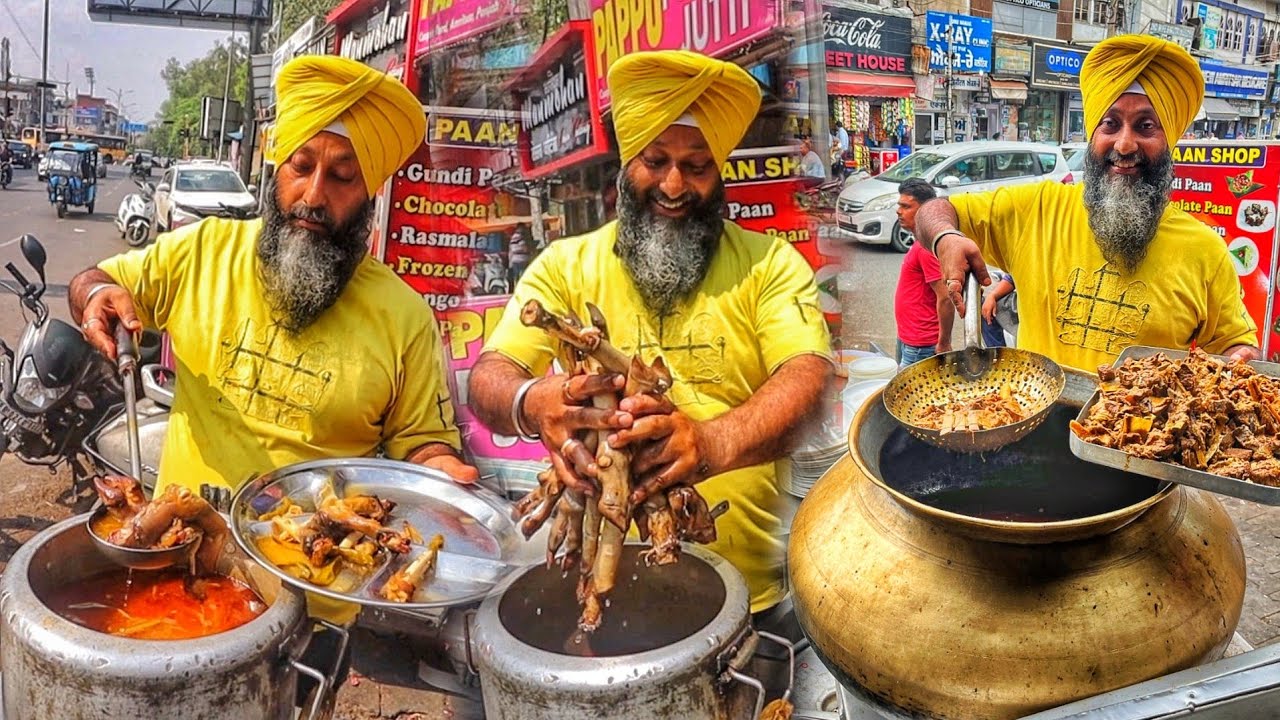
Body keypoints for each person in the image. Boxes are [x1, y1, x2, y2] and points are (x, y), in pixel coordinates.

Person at [468, 50, 833, 626]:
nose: (673, 185)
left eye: (697, 166)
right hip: (590, 588)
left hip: (752, 593)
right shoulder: (565, 267)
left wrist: (710, 444)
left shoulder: (770, 265)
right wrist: (535, 403)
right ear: (624, 166)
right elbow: (489, 378)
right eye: (655, 160)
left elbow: (809, 379)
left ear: (720, 173)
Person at [69, 54, 478, 495]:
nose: (314, 194)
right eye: (301, 167)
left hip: (312, 558)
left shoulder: (405, 317)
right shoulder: (202, 250)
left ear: (369, 195)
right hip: (182, 544)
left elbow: (421, 444)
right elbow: (93, 283)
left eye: (342, 176)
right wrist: (98, 294)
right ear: (277, 169)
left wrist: (443, 472)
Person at [914, 35, 1260, 371]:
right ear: (1093, 133)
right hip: (1035, 422)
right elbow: (935, 209)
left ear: (1168, 140)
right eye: (1110, 124)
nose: (1124, 145)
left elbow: (1236, 345)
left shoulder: (1206, 251)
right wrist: (945, 237)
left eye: (1146, 126)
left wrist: (1241, 361)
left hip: (1144, 430)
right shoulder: (1037, 208)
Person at [893, 178, 954, 366]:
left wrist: (944, 342)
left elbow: (946, 297)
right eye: (899, 205)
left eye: (906, 206)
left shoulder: (926, 248)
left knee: (908, 395)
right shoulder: (919, 242)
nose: (899, 211)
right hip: (908, 337)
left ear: (923, 211)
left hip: (920, 345)